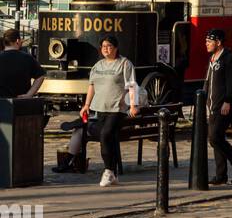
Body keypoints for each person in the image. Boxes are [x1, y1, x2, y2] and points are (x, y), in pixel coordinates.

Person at [57, 35, 138, 185]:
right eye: (104, 47)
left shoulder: (125, 64)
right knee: (106, 137)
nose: (106, 49)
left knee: (105, 134)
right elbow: (91, 86)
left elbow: (131, 85)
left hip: (117, 108)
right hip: (100, 108)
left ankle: (108, 171)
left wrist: (133, 105)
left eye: (109, 46)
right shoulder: (98, 66)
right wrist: (86, 105)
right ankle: (112, 172)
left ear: (116, 48)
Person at [205, 28, 232, 185]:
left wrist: (228, 101)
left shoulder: (229, 58)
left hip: (224, 105)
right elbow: (208, 81)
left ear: (218, 42)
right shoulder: (212, 58)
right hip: (212, 105)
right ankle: (221, 175)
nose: (206, 44)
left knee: (215, 137)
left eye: (209, 41)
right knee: (215, 139)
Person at [0, 28, 45, 100]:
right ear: (17, 41)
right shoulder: (27, 58)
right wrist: (29, 94)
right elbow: (40, 76)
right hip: (21, 103)